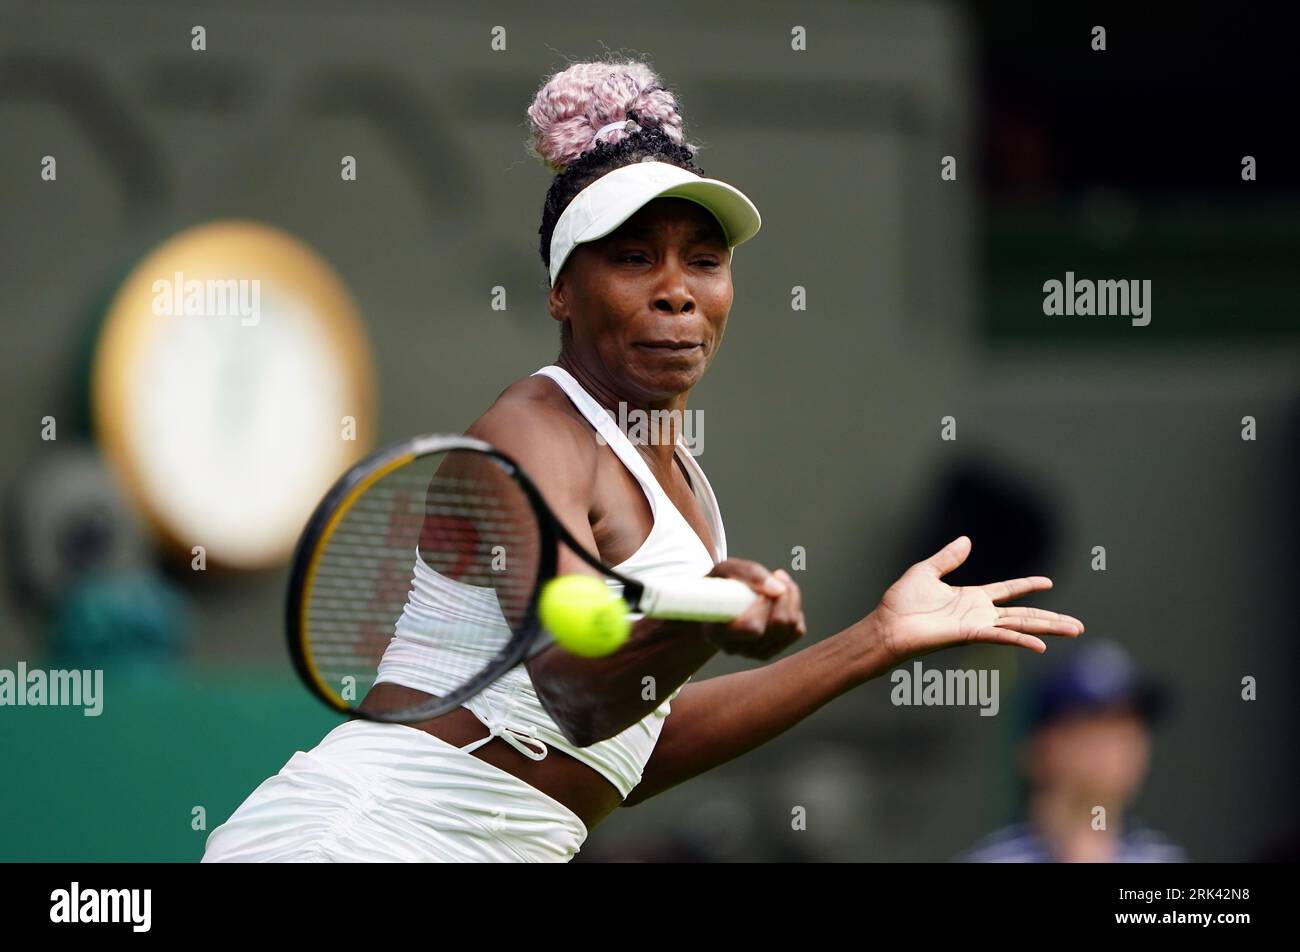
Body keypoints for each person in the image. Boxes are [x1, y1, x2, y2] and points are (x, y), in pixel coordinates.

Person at [203, 58, 1084, 863]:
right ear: (560, 289)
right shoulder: (530, 429)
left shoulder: (690, 497)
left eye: (704, 261)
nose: (675, 288)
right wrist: (704, 627)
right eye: (632, 258)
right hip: (354, 839)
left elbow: (629, 747)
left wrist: (876, 639)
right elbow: (574, 693)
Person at [960, 640, 1184, 863]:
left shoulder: (1163, 858)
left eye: (1131, 725)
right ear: (1042, 747)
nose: (1122, 744)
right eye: (1098, 723)